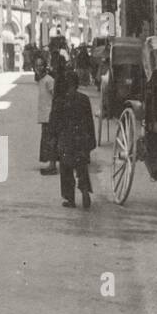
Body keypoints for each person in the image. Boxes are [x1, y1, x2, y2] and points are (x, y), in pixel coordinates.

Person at [52, 64, 96, 209]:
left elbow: (55, 122)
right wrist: (91, 142)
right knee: (81, 167)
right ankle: (84, 191)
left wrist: (54, 139)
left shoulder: (60, 101)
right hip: (82, 138)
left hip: (66, 139)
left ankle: (70, 199)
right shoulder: (84, 99)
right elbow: (90, 121)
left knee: (66, 169)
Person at [35, 55, 58, 175]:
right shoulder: (41, 80)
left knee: (50, 140)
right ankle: (51, 163)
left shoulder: (49, 80)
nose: (39, 68)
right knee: (47, 140)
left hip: (49, 115)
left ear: (45, 66)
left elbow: (55, 96)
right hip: (44, 115)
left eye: (41, 65)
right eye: (37, 65)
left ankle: (52, 165)